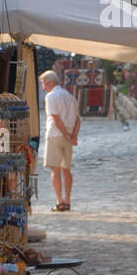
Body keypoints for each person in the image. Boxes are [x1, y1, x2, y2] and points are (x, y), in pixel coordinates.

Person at [39, 69, 81, 211]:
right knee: (66, 169)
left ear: (50, 83)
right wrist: (73, 136)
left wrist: (67, 135)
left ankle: (60, 201)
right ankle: (68, 200)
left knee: (55, 170)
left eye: (44, 84)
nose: (43, 88)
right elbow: (77, 120)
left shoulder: (51, 97)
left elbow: (56, 119)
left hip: (55, 135)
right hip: (67, 136)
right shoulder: (70, 97)